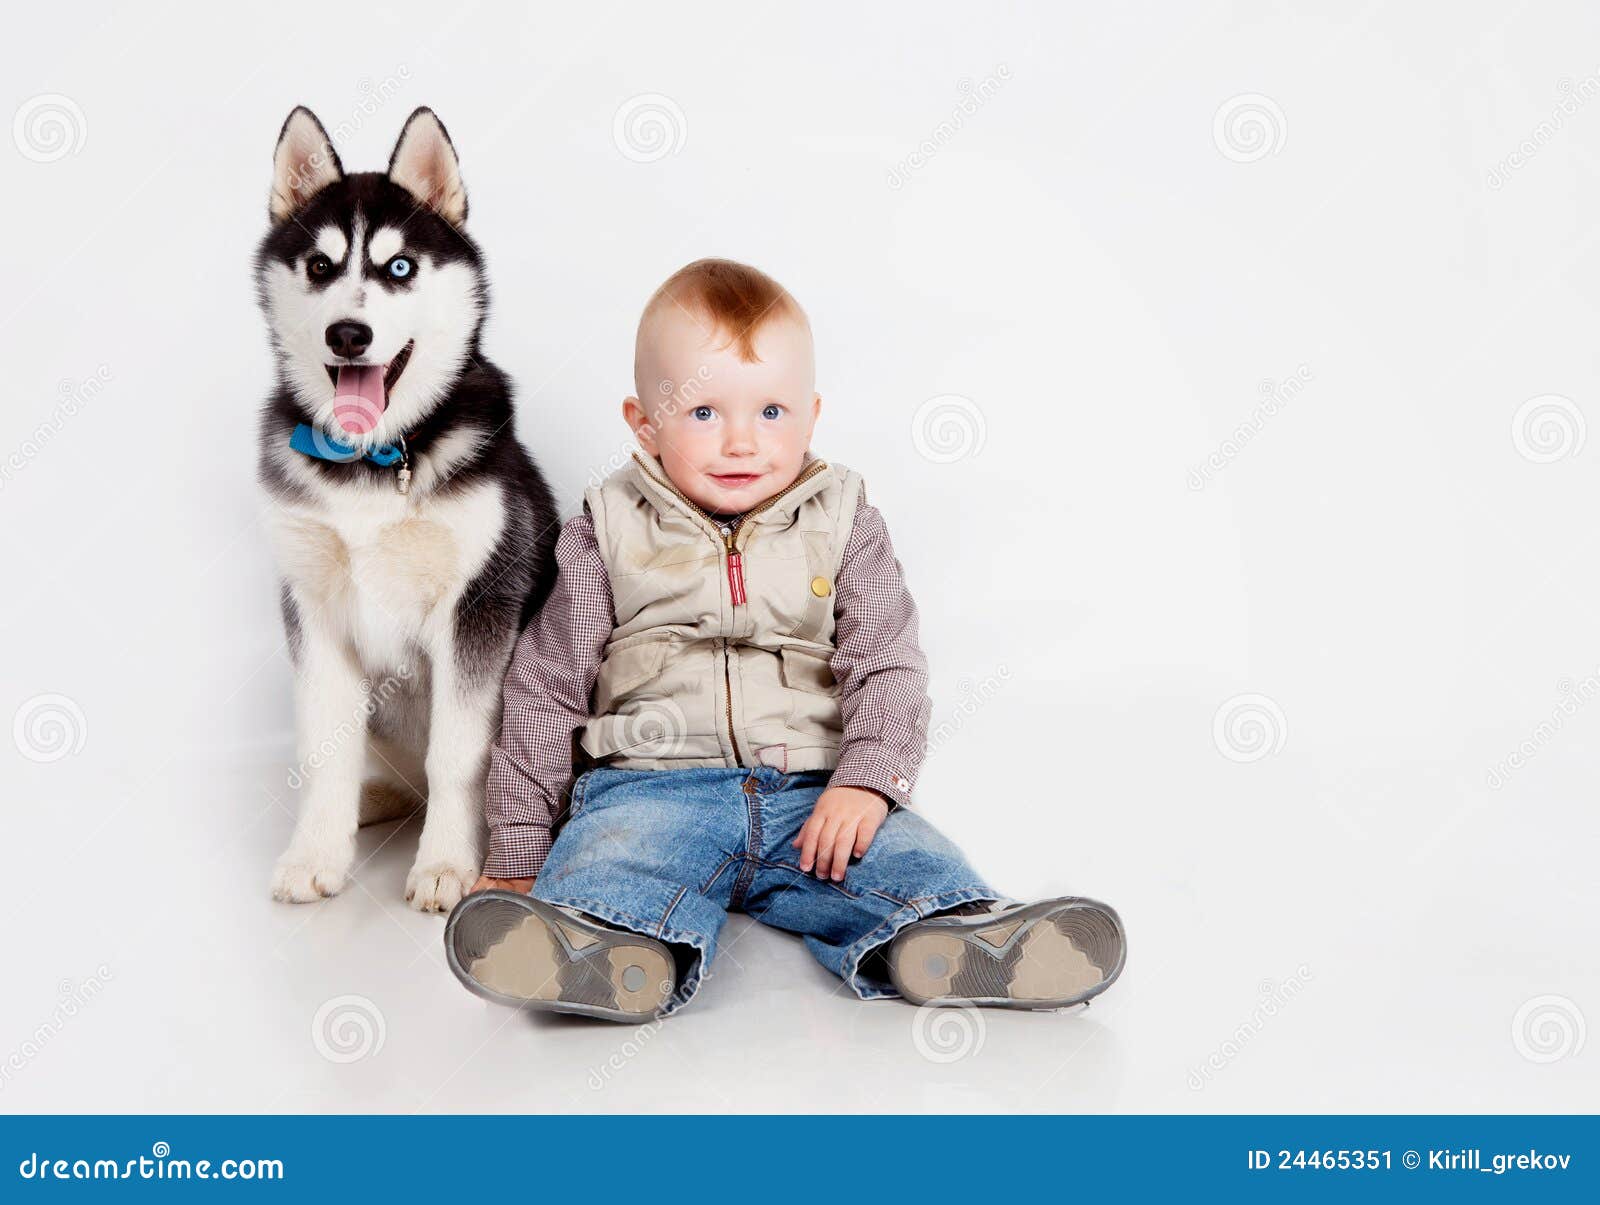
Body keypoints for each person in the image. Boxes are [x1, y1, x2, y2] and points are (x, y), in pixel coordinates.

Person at [443, 258, 1125, 1022]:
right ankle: (601, 950)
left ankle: (966, 937)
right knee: (609, 861)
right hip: (651, 786)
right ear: (644, 423)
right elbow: (545, 691)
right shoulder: (604, 530)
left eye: (771, 411)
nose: (742, 442)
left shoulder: (845, 520)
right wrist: (517, 850)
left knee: (907, 860)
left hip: (815, 795)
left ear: (811, 416)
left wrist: (869, 779)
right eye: (704, 412)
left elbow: (887, 663)